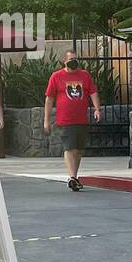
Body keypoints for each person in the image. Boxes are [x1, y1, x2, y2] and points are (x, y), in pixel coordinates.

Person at [44, 49, 102, 191]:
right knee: (70, 147)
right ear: (65, 61)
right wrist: (46, 119)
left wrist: (97, 109)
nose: (74, 62)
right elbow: (49, 98)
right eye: (71, 59)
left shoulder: (84, 75)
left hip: (81, 118)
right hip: (65, 119)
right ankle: (72, 177)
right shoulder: (56, 76)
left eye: (76, 59)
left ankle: (74, 176)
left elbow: (93, 92)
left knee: (79, 149)